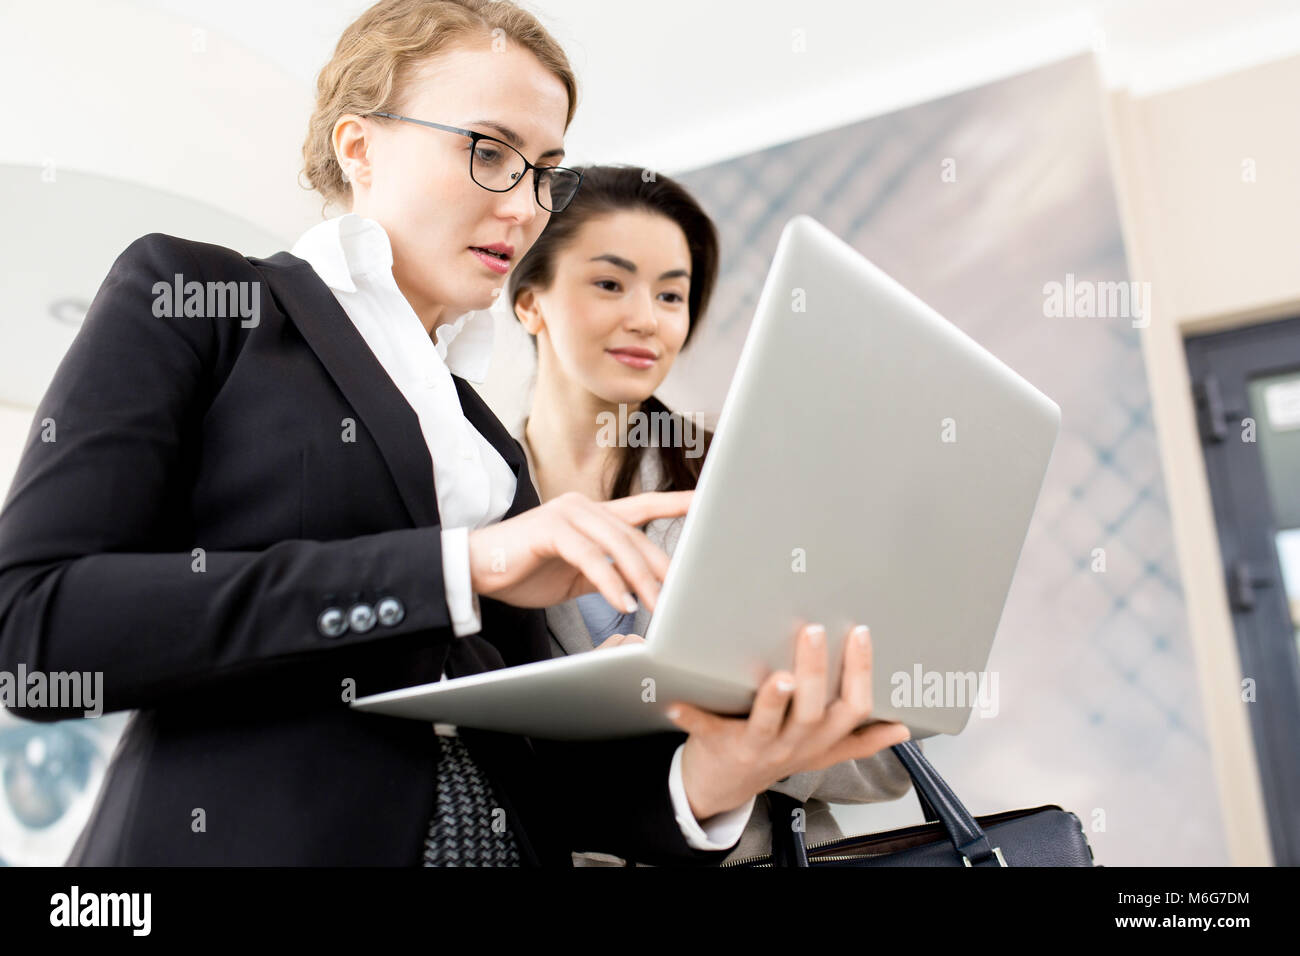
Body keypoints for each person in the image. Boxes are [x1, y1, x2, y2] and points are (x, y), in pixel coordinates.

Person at [0, 0, 909, 866]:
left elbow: (532, 766)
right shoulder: (205, 301)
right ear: (359, 145)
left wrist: (718, 770)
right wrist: (458, 568)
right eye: (489, 151)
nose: (526, 207)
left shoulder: (483, 441)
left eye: (544, 171)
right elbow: (34, 626)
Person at [508, 165, 918, 866]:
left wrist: (722, 732)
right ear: (530, 302)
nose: (648, 319)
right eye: (610, 283)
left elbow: (890, 756)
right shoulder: (475, 512)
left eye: (672, 294)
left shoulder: (758, 486)